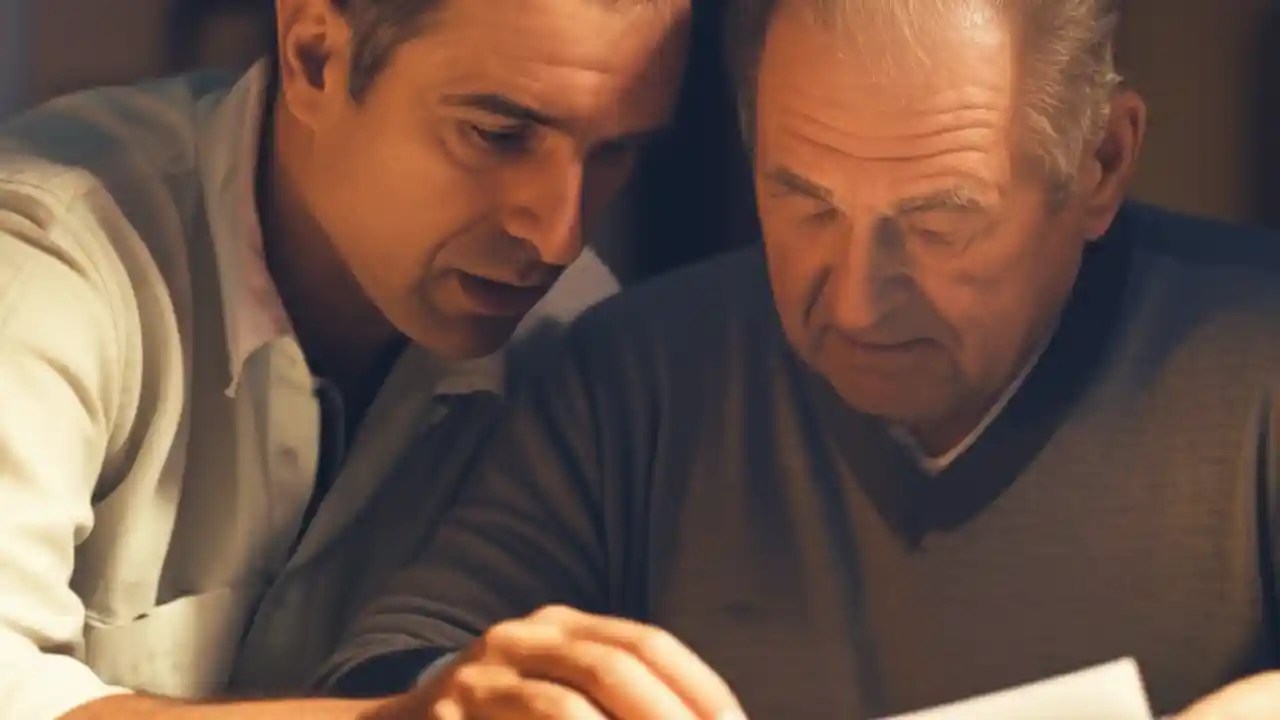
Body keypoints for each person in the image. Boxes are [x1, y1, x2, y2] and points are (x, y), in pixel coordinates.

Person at [313, 0, 1280, 718]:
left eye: (942, 224)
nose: (854, 300)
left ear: (1102, 162)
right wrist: (471, 698)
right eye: (805, 203)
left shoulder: (1254, 363)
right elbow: (398, 663)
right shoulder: (639, 374)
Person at [0, 0, 690, 717]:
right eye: (498, 135)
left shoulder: (568, 341)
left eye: (616, 152)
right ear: (315, 59)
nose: (558, 237)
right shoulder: (39, 256)